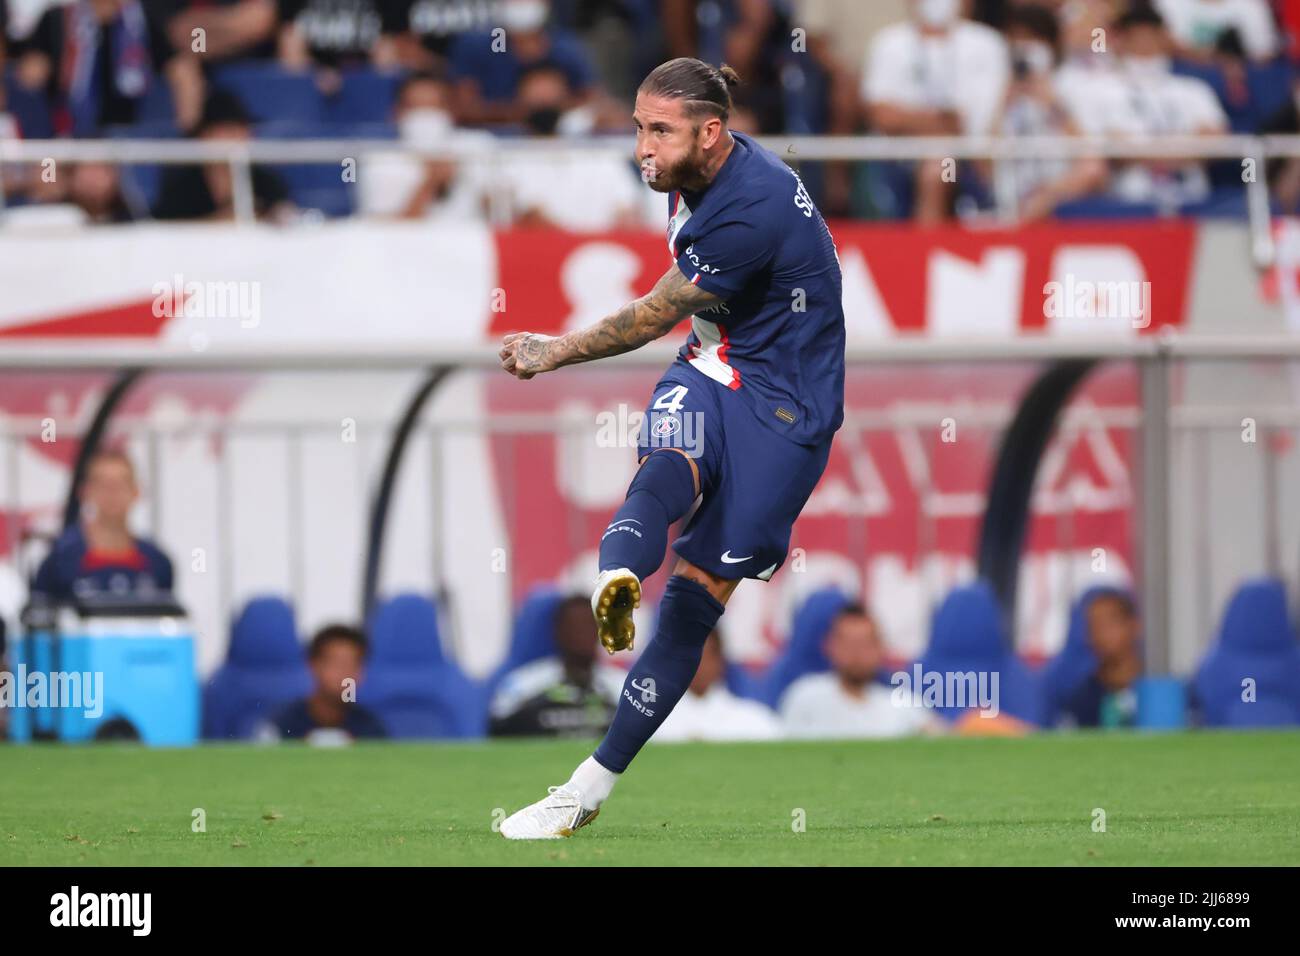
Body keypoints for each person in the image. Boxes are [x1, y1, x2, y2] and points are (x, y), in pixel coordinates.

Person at [497, 57, 845, 839]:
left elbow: (652, 315)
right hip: (717, 364)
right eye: (638, 129)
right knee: (665, 473)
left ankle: (586, 783)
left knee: (688, 601)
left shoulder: (747, 209)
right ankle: (617, 581)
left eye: (658, 131)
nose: (643, 149)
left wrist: (553, 351)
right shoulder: (708, 161)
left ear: (711, 133)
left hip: (785, 417)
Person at [32, 449, 173, 603]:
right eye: (103, 484)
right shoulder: (60, 559)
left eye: (121, 484)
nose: (112, 493)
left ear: (136, 491)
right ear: (85, 491)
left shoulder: (157, 562)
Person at [780, 604, 940, 739]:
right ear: (830, 647)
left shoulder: (904, 705)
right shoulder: (805, 697)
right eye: (849, 644)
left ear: (880, 648)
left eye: (865, 644)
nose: (857, 653)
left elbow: (942, 741)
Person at [488, 595, 622, 738]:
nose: (583, 633)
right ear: (558, 631)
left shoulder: (621, 686)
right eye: (574, 626)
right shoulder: (523, 684)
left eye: (590, 625)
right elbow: (497, 729)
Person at [152, 90, 294, 221]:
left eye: (242, 131)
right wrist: (219, 221)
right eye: (227, 131)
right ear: (204, 136)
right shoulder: (182, 186)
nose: (236, 139)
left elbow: (284, 217)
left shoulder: (266, 181)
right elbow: (163, 229)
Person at [263, 624, 388, 741]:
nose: (345, 674)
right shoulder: (282, 725)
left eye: (353, 665)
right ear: (313, 665)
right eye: (337, 664)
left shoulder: (372, 730)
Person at [652, 630, 782, 743]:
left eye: (706, 656)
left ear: (720, 660)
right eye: (688, 656)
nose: (698, 665)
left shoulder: (754, 721)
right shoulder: (651, 722)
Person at [1044, 588, 1143, 729]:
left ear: (1134, 626)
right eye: (1093, 626)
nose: (1101, 634)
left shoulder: (1155, 690)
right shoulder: (1080, 700)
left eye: (1110, 624)